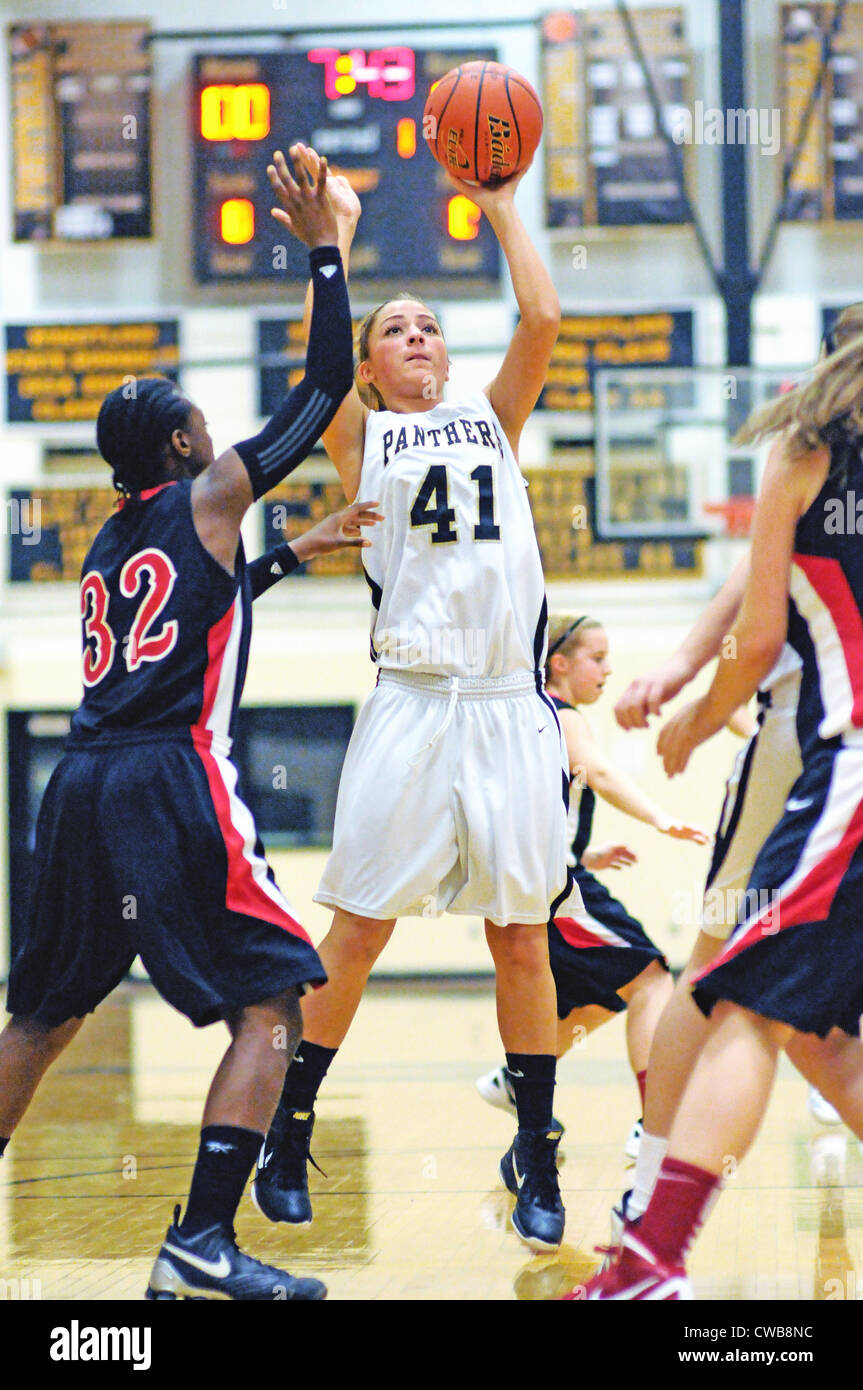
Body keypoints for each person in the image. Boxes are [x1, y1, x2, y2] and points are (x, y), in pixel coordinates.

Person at [0, 147, 361, 1302]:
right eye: (203, 426)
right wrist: (323, 248)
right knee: (273, 1008)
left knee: (41, 1014)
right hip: (170, 781)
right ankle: (201, 1239)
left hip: (81, 780)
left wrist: (290, 560)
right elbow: (324, 386)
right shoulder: (211, 496)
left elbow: (202, 611)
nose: (216, 437)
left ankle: (195, 1240)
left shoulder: (110, 540)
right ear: (182, 447)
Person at [252, 144, 579, 1254]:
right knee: (354, 933)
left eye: (429, 325)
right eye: (396, 329)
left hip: (505, 703)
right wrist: (328, 245)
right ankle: (287, 1131)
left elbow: (538, 316)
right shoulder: (358, 431)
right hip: (410, 699)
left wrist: (496, 205)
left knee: (520, 939)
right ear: (372, 359)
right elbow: (317, 363)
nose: (418, 337)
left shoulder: (494, 415)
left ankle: (536, 1149)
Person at [584, 309, 863, 1299]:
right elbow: (752, 591)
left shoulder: (804, 451)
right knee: (796, 1016)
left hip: (819, 750)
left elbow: (753, 630)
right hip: (799, 739)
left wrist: (694, 717)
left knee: (731, 989)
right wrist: (677, 669)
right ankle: (645, 1233)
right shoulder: (808, 463)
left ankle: (648, 1242)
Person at [476, 614, 709, 1156]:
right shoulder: (566, 717)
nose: (608, 669)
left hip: (539, 882)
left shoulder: (528, 716)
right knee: (650, 977)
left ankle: (518, 1081)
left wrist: (583, 850)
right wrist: (660, 818)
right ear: (560, 663)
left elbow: (532, 807)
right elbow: (599, 774)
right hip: (558, 890)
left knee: (607, 996)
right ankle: (654, 1129)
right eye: (597, 658)